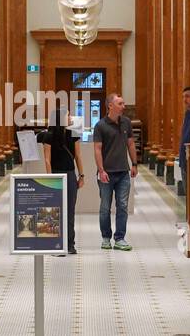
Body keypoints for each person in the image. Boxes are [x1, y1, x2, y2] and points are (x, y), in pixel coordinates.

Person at [93, 93, 138, 250]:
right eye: (120, 103)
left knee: (123, 206)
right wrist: (101, 170)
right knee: (105, 207)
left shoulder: (126, 123)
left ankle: (120, 238)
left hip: (123, 172)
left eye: (124, 103)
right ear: (110, 106)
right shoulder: (100, 126)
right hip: (106, 173)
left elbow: (131, 144)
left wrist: (134, 163)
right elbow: (97, 149)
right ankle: (106, 237)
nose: (124, 106)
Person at [38, 106, 84, 255]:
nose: (70, 118)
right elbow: (47, 160)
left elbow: (78, 156)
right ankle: (56, 243)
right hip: (57, 175)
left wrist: (81, 175)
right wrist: (50, 178)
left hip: (70, 174)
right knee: (54, 211)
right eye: (68, 115)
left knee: (70, 210)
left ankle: (70, 244)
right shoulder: (48, 136)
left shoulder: (73, 134)